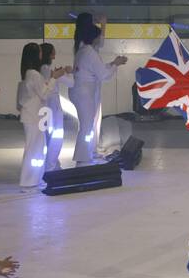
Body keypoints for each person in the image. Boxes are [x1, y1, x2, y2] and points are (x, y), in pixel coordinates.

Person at [70, 18, 127, 166]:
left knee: (88, 125)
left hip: (82, 91)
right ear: (93, 38)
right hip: (84, 93)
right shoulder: (89, 52)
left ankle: (88, 154)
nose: (99, 40)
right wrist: (116, 64)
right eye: (98, 36)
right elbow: (104, 75)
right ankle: (82, 159)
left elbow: (98, 70)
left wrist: (113, 64)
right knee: (86, 126)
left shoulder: (83, 50)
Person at [18, 44, 66, 192]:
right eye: (39, 52)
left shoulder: (30, 73)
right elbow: (44, 94)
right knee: (33, 151)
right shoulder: (34, 74)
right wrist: (54, 78)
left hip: (34, 117)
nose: (41, 55)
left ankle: (34, 180)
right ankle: (27, 182)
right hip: (33, 117)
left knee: (37, 150)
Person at [38, 43, 73, 173]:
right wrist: (67, 72)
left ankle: (50, 164)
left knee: (46, 137)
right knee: (56, 136)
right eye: (53, 52)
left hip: (43, 107)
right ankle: (51, 167)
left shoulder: (39, 70)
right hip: (53, 106)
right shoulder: (49, 70)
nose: (55, 55)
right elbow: (71, 83)